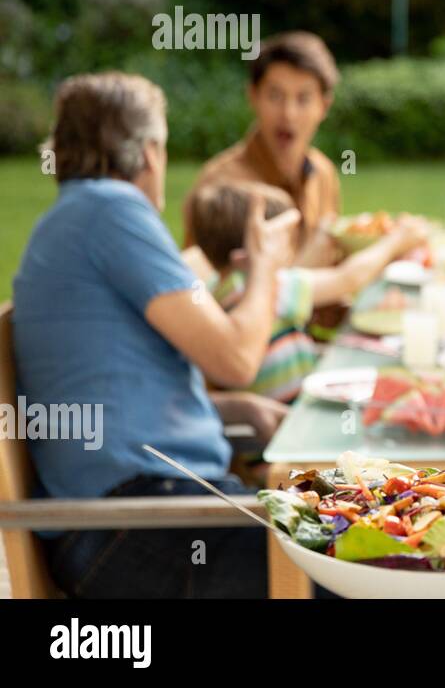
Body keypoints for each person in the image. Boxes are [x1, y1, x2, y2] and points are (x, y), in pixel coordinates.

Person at [13, 73, 299, 597]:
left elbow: (113, 387)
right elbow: (236, 358)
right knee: (355, 561)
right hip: (136, 524)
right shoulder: (112, 212)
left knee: (353, 532)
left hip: (131, 519)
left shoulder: (75, 219)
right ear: (148, 153)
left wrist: (228, 411)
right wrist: (265, 266)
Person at [189, 180, 430, 402]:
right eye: (285, 238)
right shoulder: (271, 287)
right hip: (291, 418)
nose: (293, 247)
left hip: (260, 422)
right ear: (246, 255)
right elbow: (347, 279)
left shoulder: (216, 292)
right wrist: (396, 241)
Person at [183, 31, 342, 268]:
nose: (288, 114)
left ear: (324, 106)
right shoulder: (219, 186)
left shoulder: (324, 173)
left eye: (303, 98)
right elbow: (200, 286)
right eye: (275, 96)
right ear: (253, 96)